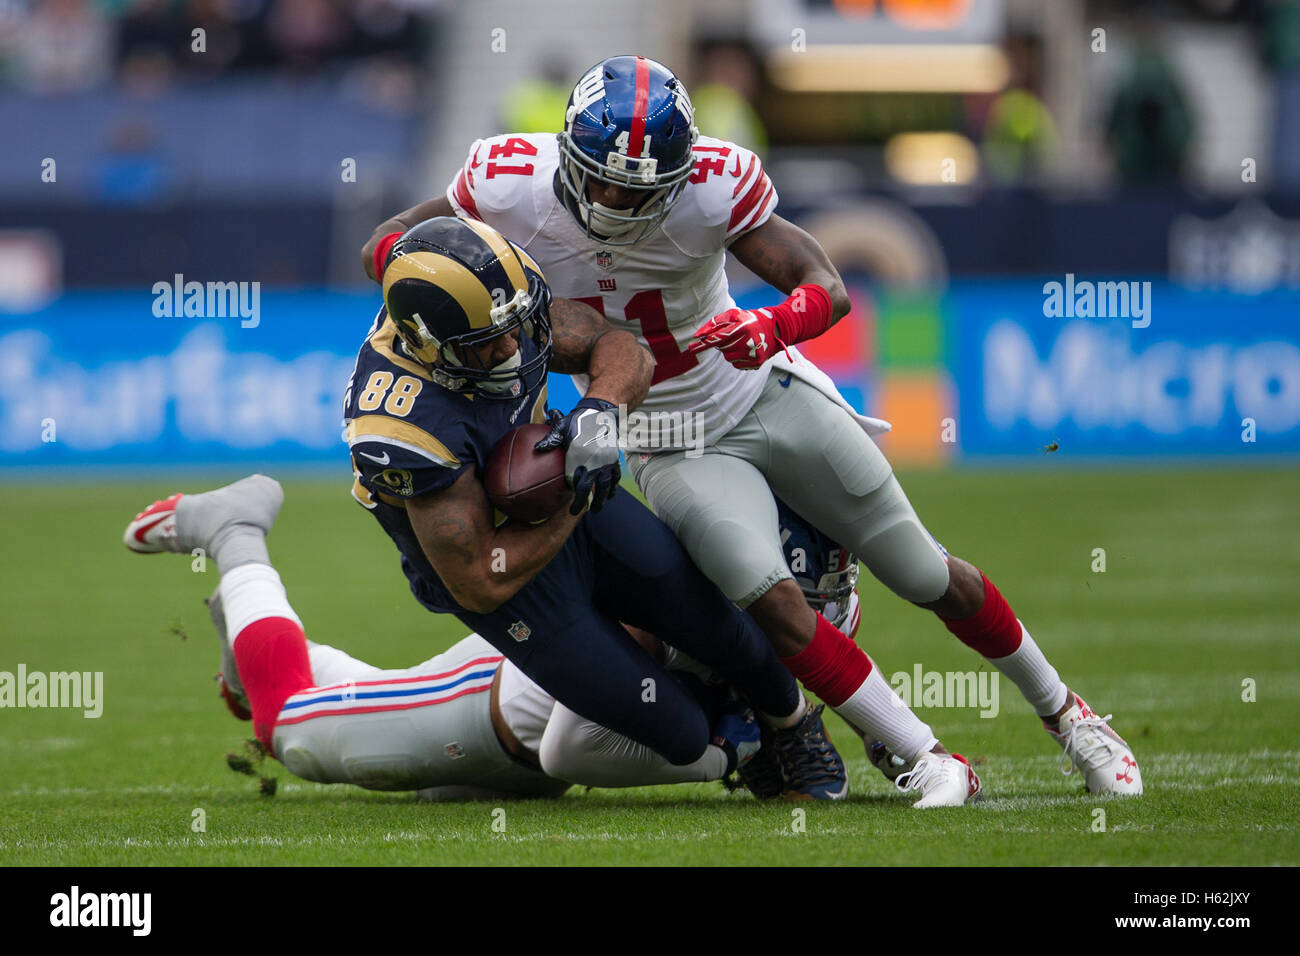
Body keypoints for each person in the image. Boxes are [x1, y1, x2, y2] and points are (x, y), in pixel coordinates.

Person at [360, 55, 1141, 797]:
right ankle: (926, 757)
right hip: (666, 436)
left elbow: (823, 286)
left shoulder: (713, 184)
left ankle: (1069, 715)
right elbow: (391, 246)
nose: (615, 206)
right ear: (566, 155)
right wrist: (436, 293)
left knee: (924, 570)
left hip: (758, 390)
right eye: (602, 184)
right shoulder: (507, 180)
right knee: (768, 599)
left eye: (639, 193)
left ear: (681, 174)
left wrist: (774, 327)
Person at [126, 215, 869, 802]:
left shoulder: (509, 302)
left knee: (724, 632)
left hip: (562, 515)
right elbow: (479, 576)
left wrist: (599, 418)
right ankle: (235, 536)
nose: (515, 345)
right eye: (489, 343)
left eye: (518, 323)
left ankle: (791, 732)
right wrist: (575, 492)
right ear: (432, 344)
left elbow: (621, 350)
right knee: (290, 728)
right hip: (508, 587)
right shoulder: (401, 419)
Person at [126, 482, 906, 802]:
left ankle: (245, 645)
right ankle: (234, 534)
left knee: (351, 686)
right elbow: (574, 742)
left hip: (516, 738)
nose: (806, 612)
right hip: (498, 707)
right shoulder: (702, 602)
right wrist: (723, 755)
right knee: (290, 731)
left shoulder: (823, 605)